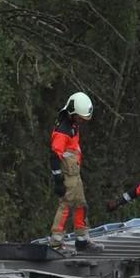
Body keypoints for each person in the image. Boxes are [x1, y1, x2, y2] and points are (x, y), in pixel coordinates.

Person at [48, 92, 95, 251]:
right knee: (66, 205)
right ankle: (56, 242)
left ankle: (82, 238)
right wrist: (58, 180)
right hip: (67, 174)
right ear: (72, 113)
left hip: (75, 173)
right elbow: (54, 156)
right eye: (80, 118)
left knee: (81, 204)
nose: (82, 121)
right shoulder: (63, 130)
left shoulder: (73, 125)